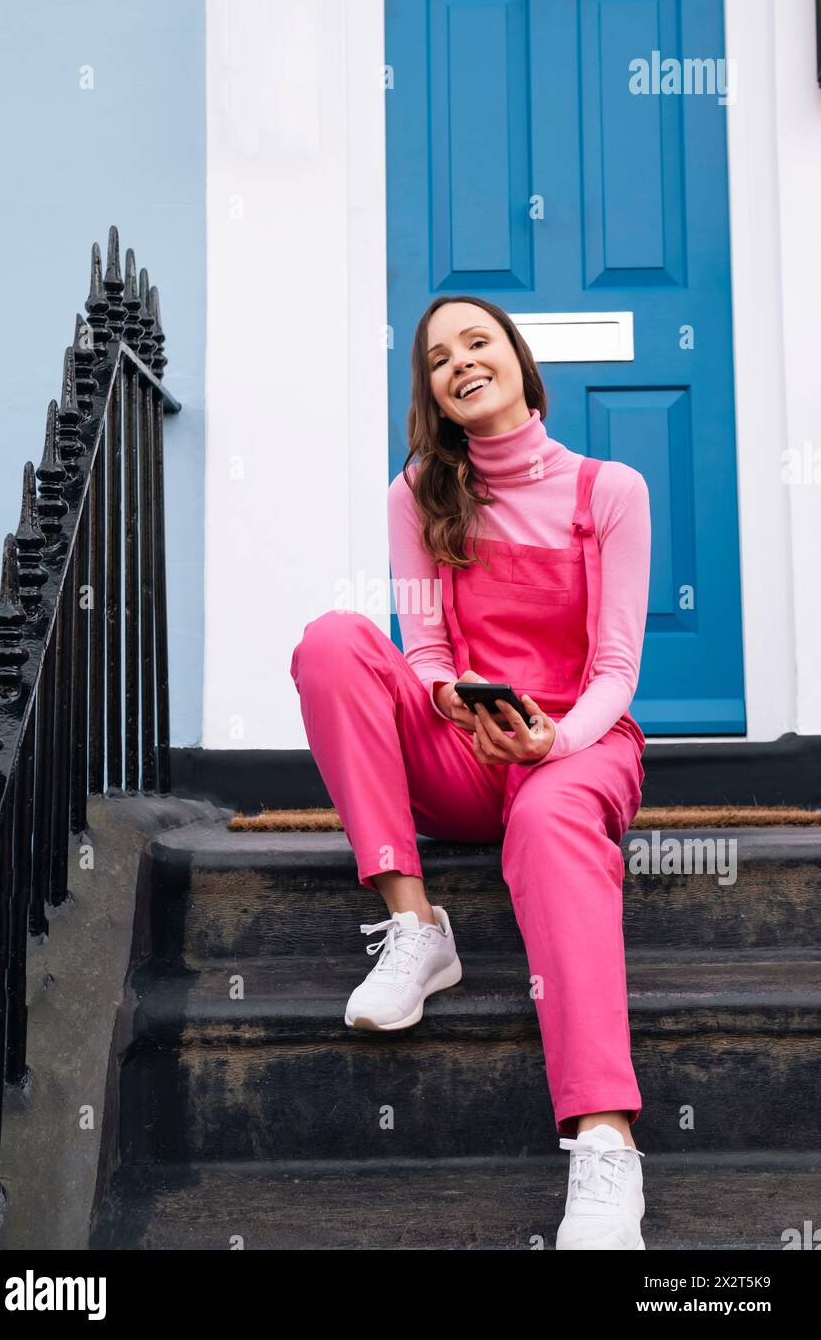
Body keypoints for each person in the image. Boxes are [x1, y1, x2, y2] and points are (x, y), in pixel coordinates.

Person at [290, 295, 651, 1250]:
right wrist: (450, 698)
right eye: (438, 358)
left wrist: (555, 743)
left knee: (547, 822)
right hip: (466, 750)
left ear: (519, 363)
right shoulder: (415, 493)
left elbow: (616, 672)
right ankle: (415, 928)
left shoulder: (609, 491)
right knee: (334, 641)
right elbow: (425, 647)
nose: (459, 362)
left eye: (477, 342)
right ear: (436, 395)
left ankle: (605, 1141)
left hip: (574, 748)